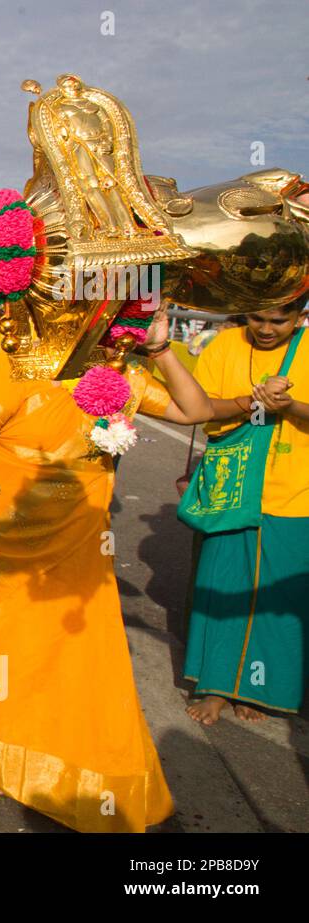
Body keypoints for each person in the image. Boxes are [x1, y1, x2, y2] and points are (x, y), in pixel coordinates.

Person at [0, 304, 212, 832]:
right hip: (10, 534)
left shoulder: (121, 380)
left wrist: (159, 347)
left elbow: (195, 410)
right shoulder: (17, 368)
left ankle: (62, 753)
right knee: (7, 642)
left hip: (81, 539)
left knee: (72, 651)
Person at [183, 293, 309, 725]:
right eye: (258, 317)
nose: (268, 328)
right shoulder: (224, 346)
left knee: (277, 600)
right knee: (223, 589)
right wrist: (253, 403)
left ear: (299, 315)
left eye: (280, 319)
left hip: (295, 493)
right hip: (234, 488)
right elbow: (203, 413)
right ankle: (216, 687)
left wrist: (289, 406)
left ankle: (258, 688)